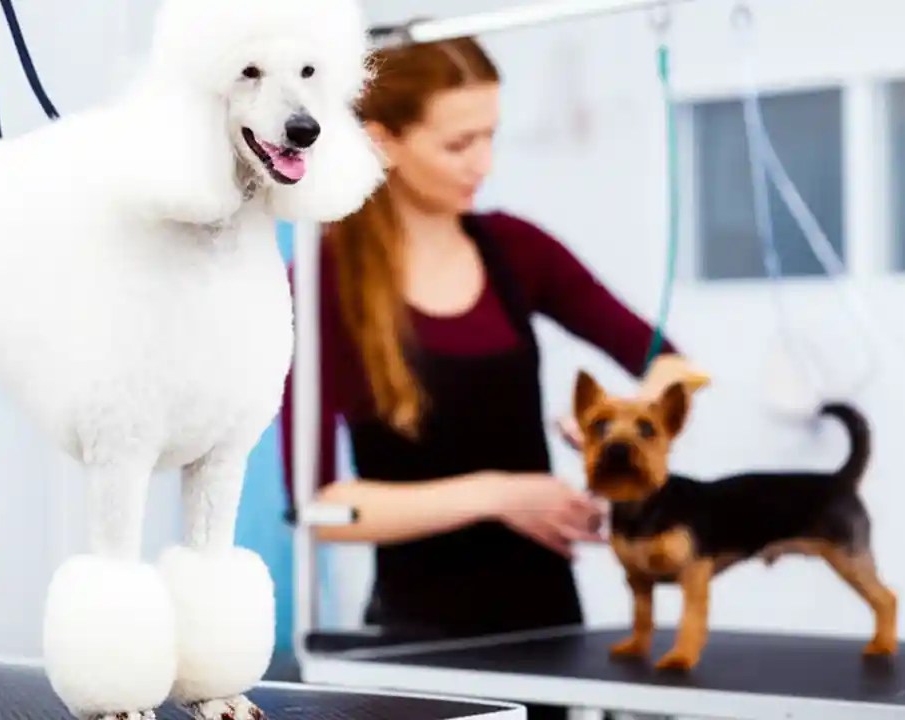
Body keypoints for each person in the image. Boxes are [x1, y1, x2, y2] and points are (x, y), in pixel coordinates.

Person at [278, 35, 709, 720]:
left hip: (549, 637)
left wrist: (625, 422)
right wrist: (499, 495)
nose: (485, 162)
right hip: (414, 651)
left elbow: (670, 363)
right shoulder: (324, 285)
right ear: (384, 139)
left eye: (491, 136)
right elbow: (324, 507)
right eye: (459, 144)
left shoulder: (516, 248)